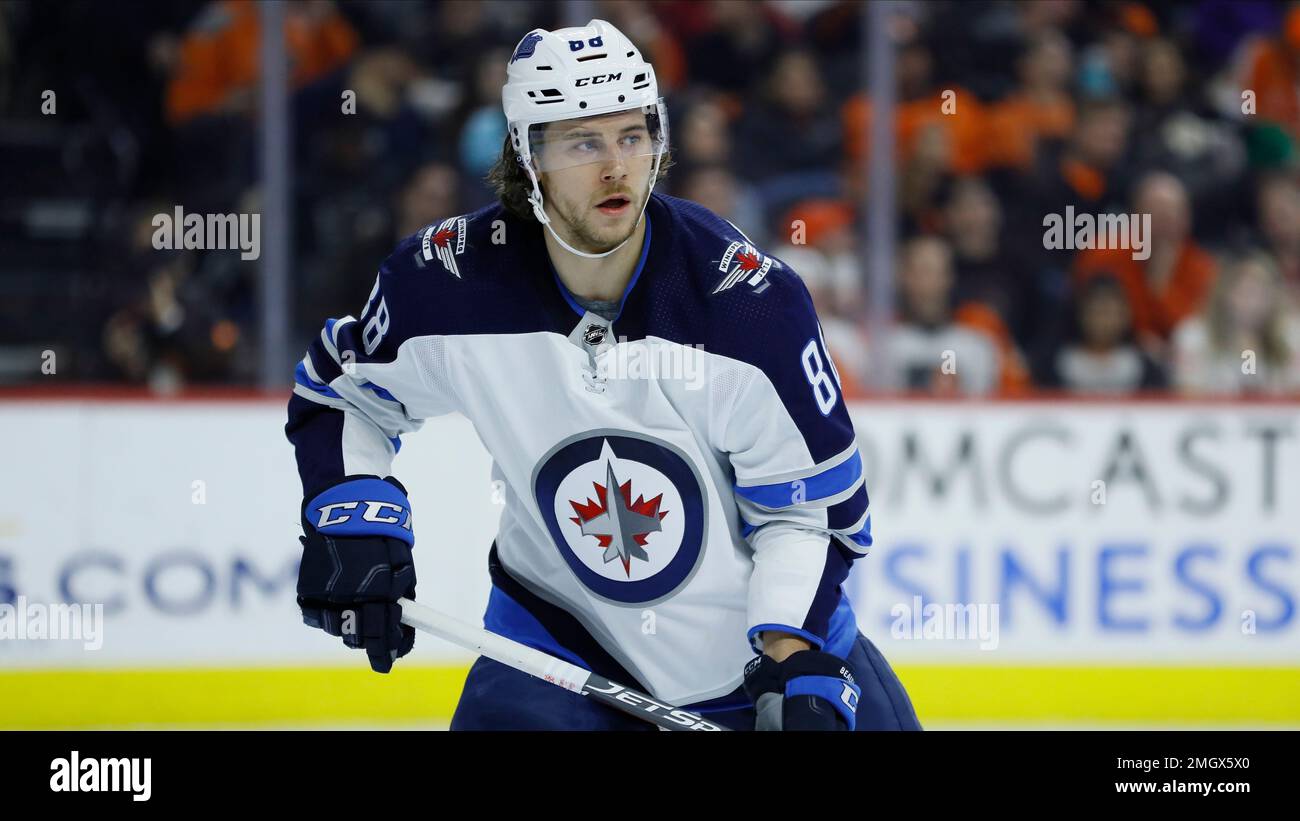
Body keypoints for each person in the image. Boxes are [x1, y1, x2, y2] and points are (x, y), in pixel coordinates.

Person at [284, 19, 920, 732]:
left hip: (766, 665)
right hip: (557, 657)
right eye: (584, 142)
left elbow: (809, 512)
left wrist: (791, 657)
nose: (617, 166)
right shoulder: (448, 285)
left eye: (633, 135)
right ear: (528, 156)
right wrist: (355, 517)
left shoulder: (746, 308)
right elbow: (345, 393)